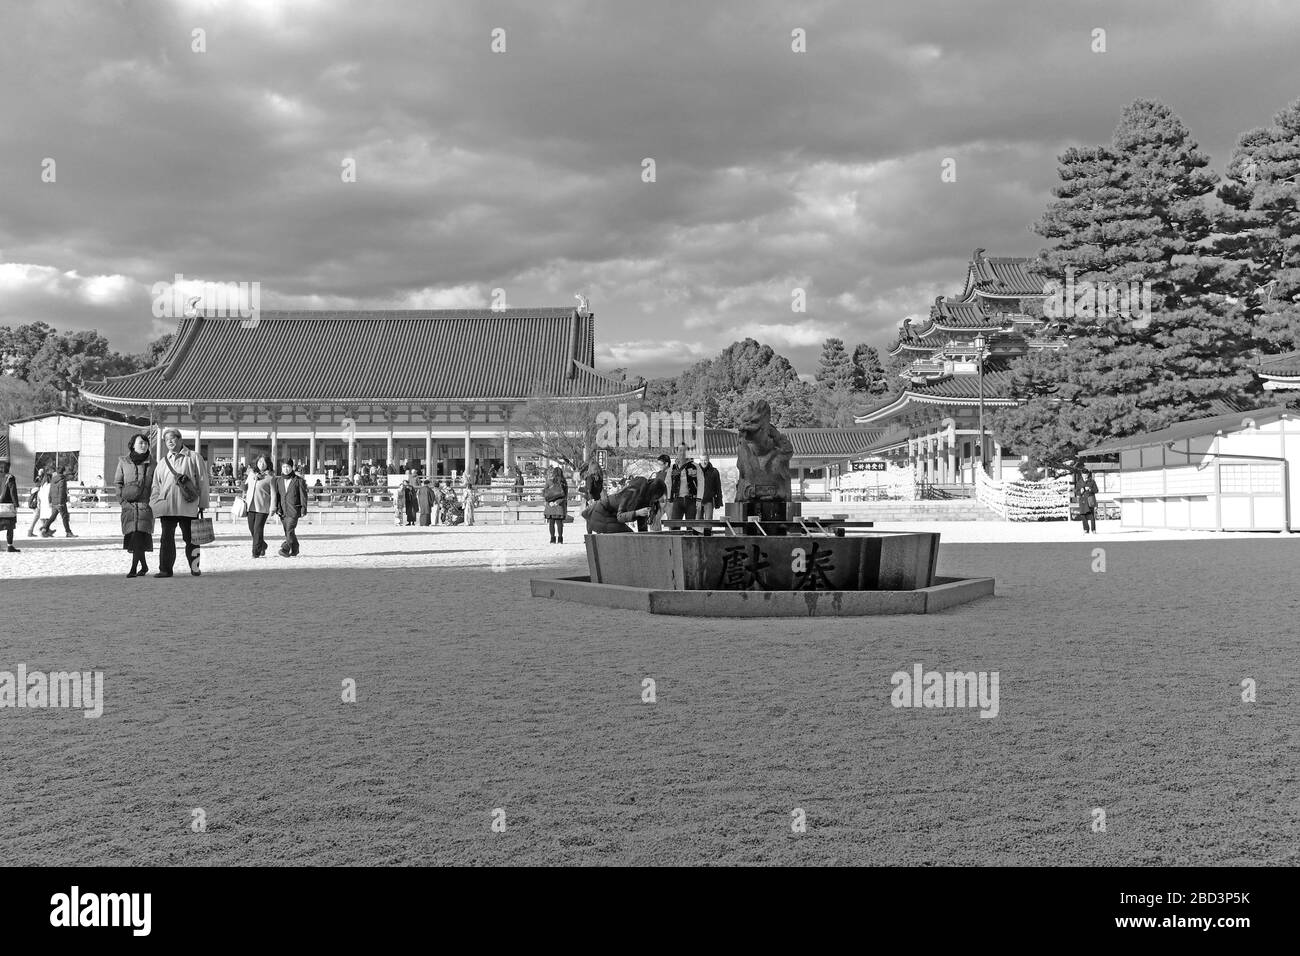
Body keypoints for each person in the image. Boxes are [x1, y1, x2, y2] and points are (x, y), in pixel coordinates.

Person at [150, 427, 210, 577]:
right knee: (166, 539)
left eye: (173, 438)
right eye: (166, 439)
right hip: (167, 507)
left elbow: (202, 480)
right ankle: (165, 569)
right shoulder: (162, 462)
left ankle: (195, 567)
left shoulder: (194, 457)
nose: (169, 441)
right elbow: (156, 485)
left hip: (188, 505)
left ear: (180, 439)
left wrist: (203, 503)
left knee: (192, 539)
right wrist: (155, 503)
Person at [114, 434, 155, 577]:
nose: (144, 445)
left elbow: (156, 485)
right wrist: (122, 502)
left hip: (145, 506)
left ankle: (133, 569)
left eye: (146, 443)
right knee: (135, 537)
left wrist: (152, 502)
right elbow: (118, 483)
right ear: (133, 445)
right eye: (140, 443)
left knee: (139, 536)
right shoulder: (123, 462)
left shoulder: (153, 463)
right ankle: (144, 567)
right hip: (128, 507)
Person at [586, 476, 667, 534]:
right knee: (628, 536)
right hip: (600, 513)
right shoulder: (632, 491)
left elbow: (642, 526)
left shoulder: (644, 498)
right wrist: (637, 513)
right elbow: (620, 517)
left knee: (630, 536)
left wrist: (644, 538)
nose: (655, 500)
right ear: (652, 492)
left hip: (607, 515)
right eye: (656, 498)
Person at [244, 455, 278, 558]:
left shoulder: (271, 477)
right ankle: (262, 545)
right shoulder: (251, 474)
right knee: (252, 529)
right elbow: (246, 487)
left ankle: (256, 552)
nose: (261, 464)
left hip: (263, 507)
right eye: (259, 462)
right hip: (250, 506)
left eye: (264, 462)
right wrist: (240, 485)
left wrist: (273, 507)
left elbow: (273, 494)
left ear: (268, 464)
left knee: (258, 529)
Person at [274, 459, 308, 557]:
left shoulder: (299, 480)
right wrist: (277, 508)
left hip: (294, 510)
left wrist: (303, 509)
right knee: (288, 532)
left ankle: (285, 549)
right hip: (283, 510)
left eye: (288, 466)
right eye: (284, 467)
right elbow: (278, 496)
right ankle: (295, 548)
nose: (286, 469)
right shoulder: (278, 480)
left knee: (289, 529)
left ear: (292, 467)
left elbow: (303, 496)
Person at [668, 444, 700, 521]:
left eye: (685, 451)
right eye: (680, 450)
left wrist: (699, 499)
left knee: (690, 526)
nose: (682, 453)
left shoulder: (695, 466)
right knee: (674, 526)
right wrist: (669, 499)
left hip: (691, 500)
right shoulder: (672, 468)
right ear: (677, 452)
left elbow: (701, 483)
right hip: (677, 500)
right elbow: (668, 483)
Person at [43, 465, 75, 537]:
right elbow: (61, 491)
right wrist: (60, 503)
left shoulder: (53, 479)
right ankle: (68, 532)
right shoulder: (62, 480)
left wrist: (50, 501)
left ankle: (44, 528)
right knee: (65, 517)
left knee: (53, 517)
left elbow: (50, 491)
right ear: (63, 472)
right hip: (60, 502)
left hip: (54, 501)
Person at [542, 466, 568, 544]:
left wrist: (550, 502)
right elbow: (565, 495)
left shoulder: (549, 482)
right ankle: (560, 539)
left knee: (551, 523)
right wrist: (558, 502)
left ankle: (552, 539)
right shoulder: (564, 483)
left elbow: (544, 493)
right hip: (559, 505)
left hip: (550, 505)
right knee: (559, 523)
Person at [0, 457, 21, 553]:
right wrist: (16, 504)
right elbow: (13, 492)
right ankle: (9, 546)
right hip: (7, 506)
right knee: (10, 526)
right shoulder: (10, 477)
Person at [699, 453, 722, 521]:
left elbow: (718, 487)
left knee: (708, 521)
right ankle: (699, 532)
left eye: (705, 460)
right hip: (698, 501)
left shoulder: (714, 472)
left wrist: (719, 501)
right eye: (702, 460)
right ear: (700, 460)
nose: (704, 462)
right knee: (698, 522)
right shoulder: (696, 471)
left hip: (709, 500)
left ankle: (707, 532)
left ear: (708, 460)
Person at [1078, 467, 1099, 534]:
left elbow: (1096, 490)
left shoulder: (1092, 481)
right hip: (1082, 501)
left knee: (1092, 515)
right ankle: (1086, 529)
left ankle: (1093, 529)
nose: (1085, 475)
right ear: (1081, 474)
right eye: (1083, 474)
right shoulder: (1079, 482)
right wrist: (1080, 491)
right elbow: (1076, 492)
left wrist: (1090, 489)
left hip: (1090, 500)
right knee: (1083, 515)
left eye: (1086, 474)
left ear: (1088, 474)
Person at [26, 467, 45, 537]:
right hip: (37, 503)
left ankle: (44, 530)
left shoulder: (36, 481)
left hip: (36, 502)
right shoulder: (40, 482)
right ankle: (30, 531)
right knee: (38, 517)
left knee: (41, 517)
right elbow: (39, 492)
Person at [35, 472, 54, 537]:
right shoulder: (50, 485)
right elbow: (51, 494)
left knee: (44, 518)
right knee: (48, 518)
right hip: (48, 503)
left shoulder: (42, 485)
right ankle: (44, 531)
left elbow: (39, 495)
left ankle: (48, 531)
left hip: (42, 503)